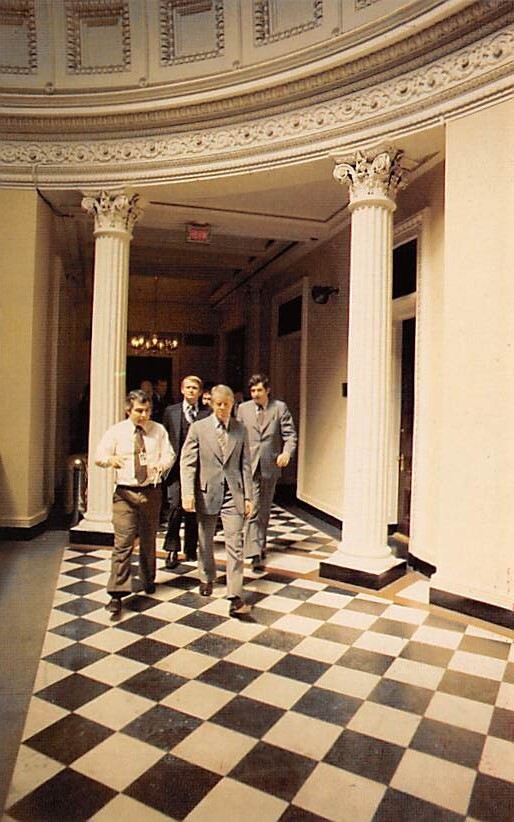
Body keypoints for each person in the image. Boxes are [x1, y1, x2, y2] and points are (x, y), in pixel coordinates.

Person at [94, 389, 175, 617]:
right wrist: (111, 459)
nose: (144, 414)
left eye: (147, 410)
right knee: (123, 543)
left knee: (149, 540)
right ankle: (117, 593)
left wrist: (162, 463)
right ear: (128, 410)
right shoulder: (117, 431)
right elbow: (99, 455)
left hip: (151, 492)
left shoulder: (158, 430)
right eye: (139, 410)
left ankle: (149, 579)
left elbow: (170, 454)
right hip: (125, 494)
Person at [181, 384, 253, 616]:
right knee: (205, 539)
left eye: (227, 405)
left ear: (233, 405)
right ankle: (206, 576)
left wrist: (249, 496)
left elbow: (245, 465)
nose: (223, 409)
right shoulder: (198, 428)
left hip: (234, 493)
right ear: (212, 404)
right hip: (206, 492)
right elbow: (188, 462)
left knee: (236, 544)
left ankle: (235, 594)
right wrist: (187, 493)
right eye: (219, 404)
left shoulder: (241, 430)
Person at [237, 373, 297, 572]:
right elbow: (236, 435)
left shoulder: (279, 408)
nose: (255, 394)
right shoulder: (243, 409)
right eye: (252, 391)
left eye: (259, 390)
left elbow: (290, 436)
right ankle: (254, 551)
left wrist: (286, 453)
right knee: (252, 508)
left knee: (263, 509)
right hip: (248, 465)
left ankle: (259, 546)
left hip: (270, 465)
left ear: (267, 390)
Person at [161, 375, 209, 567]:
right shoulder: (170, 412)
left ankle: (190, 548)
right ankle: (172, 549)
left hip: (199, 469)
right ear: (182, 390)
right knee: (175, 507)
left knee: (194, 510)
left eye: (194, 388)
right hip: (175, 470)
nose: (191, 391)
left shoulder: (207, 413)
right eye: (188, 387)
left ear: (200, 392)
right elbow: (164, 439)